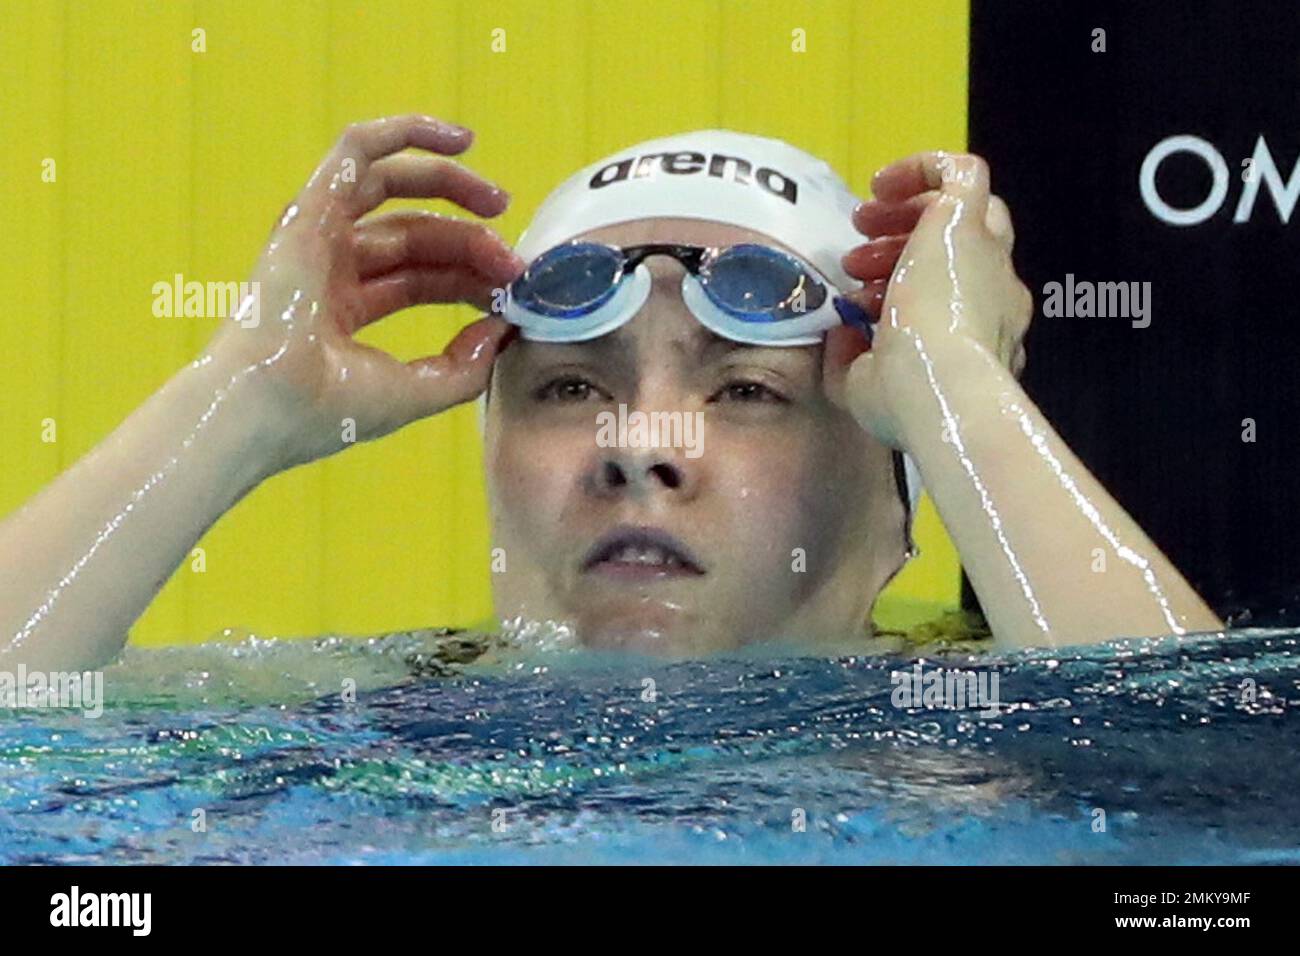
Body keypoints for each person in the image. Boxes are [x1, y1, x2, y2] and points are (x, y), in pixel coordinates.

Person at [0, 115, 1222, 671]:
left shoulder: (964, 740)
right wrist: (238, 406)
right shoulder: (355, 726)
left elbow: (1210, 798)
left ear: (899, 514)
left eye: (744, 391)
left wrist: (957, 387)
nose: (640, 446)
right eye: (574, 383)